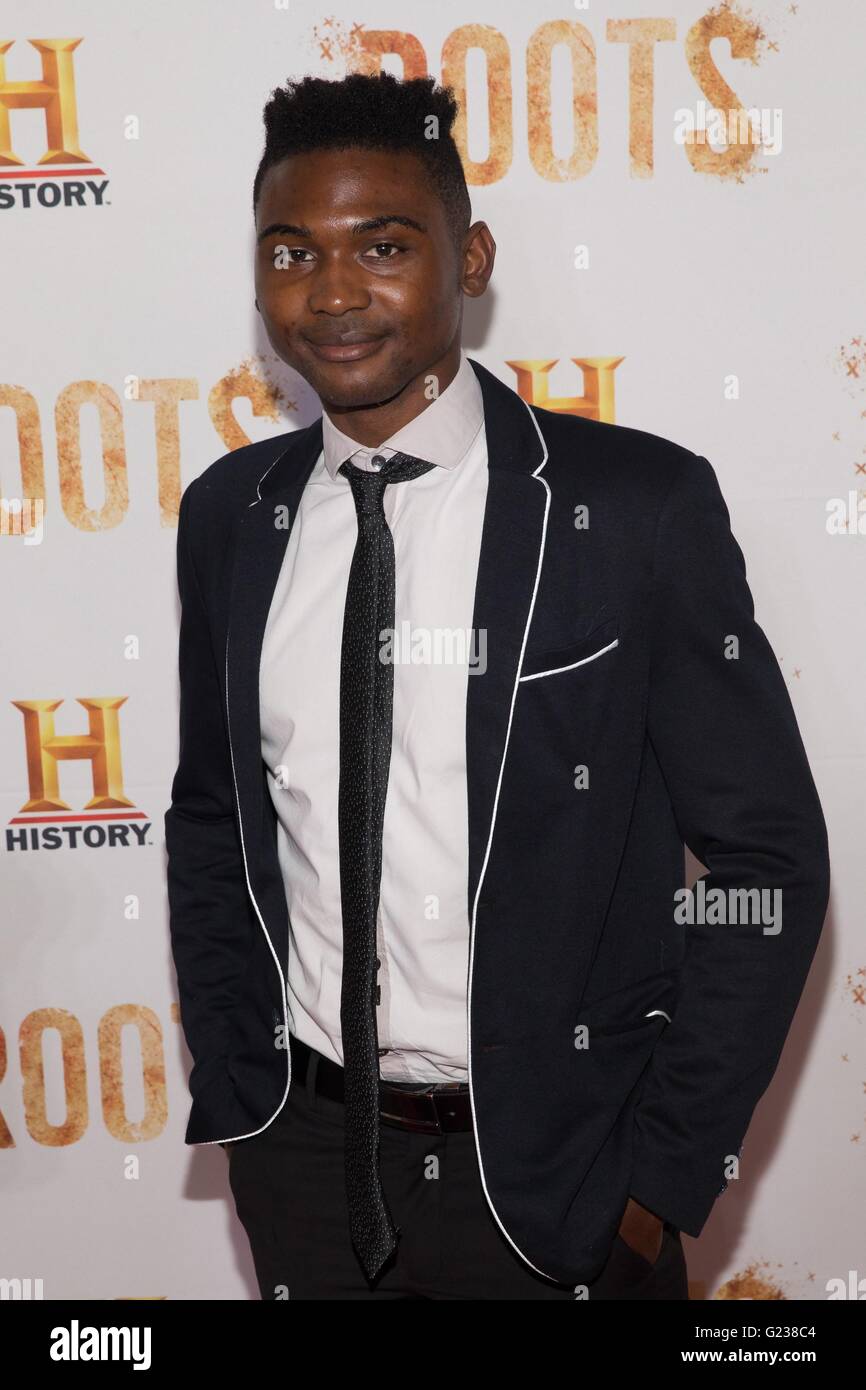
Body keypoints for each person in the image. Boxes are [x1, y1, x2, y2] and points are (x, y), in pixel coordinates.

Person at [164, 72, 830, 1300]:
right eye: (290, 250)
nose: (333, 290)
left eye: (382, 244)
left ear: (467, 259)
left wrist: (657, 1180)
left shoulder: (629, 509)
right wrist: (247, 1098)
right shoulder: (229, 518)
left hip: (561, 1189)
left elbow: (764, 868)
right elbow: (214, 816)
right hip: (308, 1165)